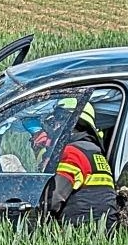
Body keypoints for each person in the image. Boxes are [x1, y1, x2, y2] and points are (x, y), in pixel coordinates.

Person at [43, 98, 118, 232]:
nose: (52, 127)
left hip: (81, 229)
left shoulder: (73, 152)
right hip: (101, 228)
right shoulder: (93, 151)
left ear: (71, 123)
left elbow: (54, 197)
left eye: (57, 120)